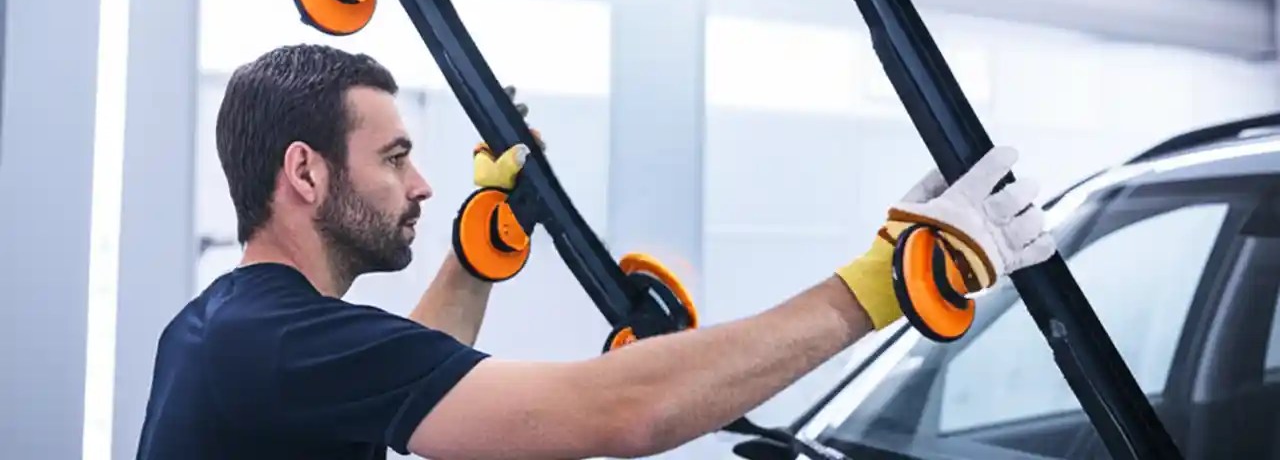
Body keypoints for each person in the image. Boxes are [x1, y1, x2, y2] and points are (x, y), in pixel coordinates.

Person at [134, 43, 1054, 460]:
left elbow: (411, 381)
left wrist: (477, 254)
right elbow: (620, 412)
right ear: (305, 172)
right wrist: (882, 282)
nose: (421, 185)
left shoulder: (229, 327)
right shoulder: (284, 345)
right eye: (395, 157)